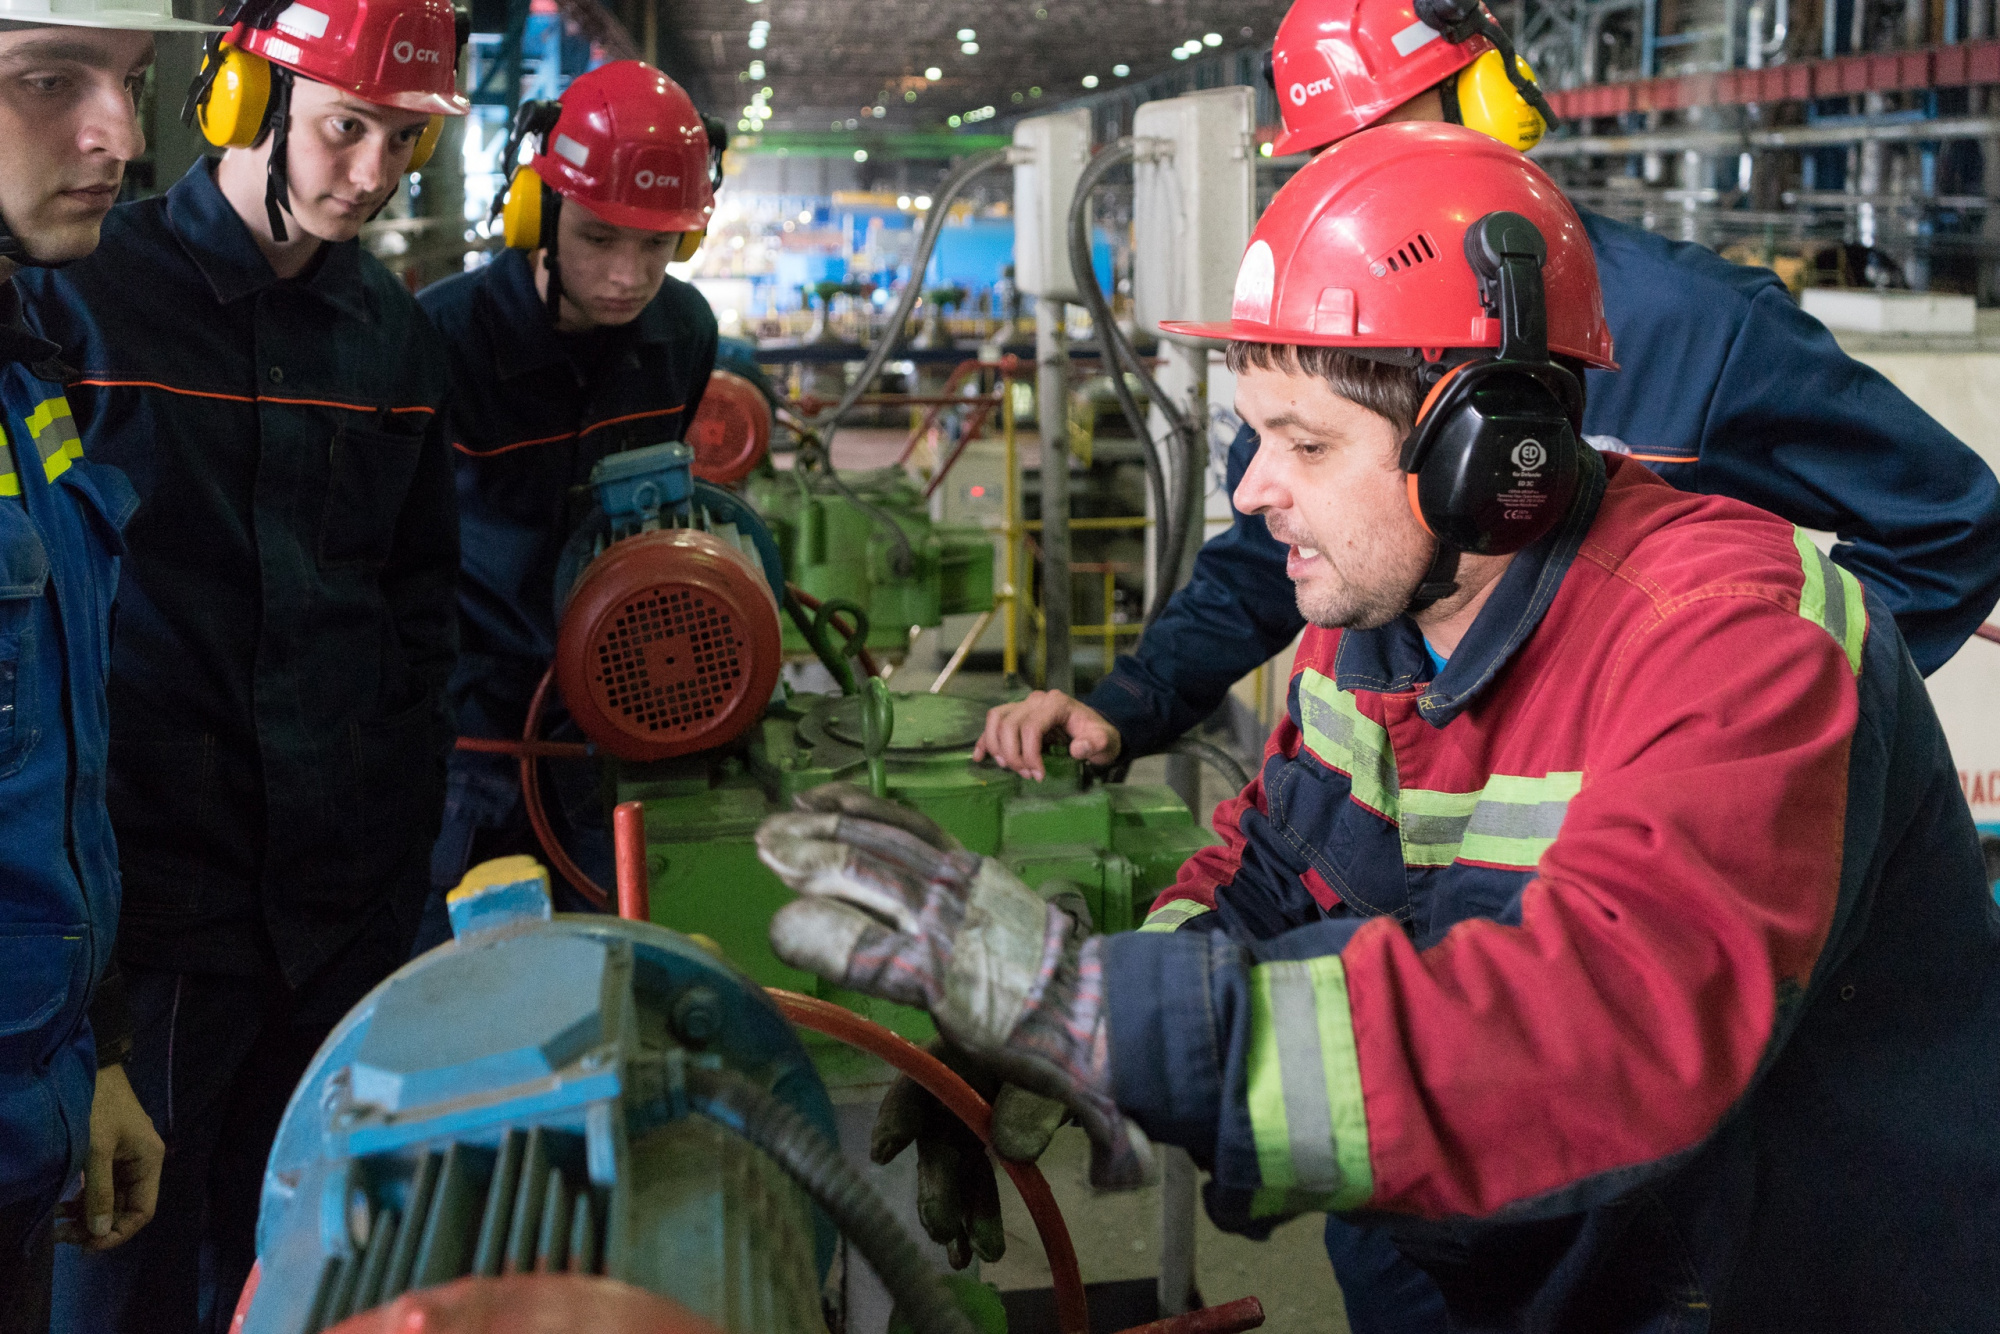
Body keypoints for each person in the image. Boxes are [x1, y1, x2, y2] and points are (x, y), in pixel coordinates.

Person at [755, 123, 2000, 1334]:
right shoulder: (1381, 614)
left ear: (1484, 453)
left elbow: (1599, 1032)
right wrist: (1058, 1027)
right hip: (1523, 1266)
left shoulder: (1733, 638)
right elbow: (1272, 875)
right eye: (1253, 435)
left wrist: (1112, 1019)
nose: (1250, 490)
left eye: (1302, 443)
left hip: (1769, 1285)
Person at [974, 0, 2000, 783]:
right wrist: (1126, 704)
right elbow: (1260, 556)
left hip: (1647, 836)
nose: (1360, 186)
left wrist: (1760, 710)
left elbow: (1944, 524)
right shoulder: (1327, 339)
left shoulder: (1696, 326)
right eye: (1331, 158)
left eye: (1382, 140)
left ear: (1489, 108)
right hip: (1428, 819)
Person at [19, 0, 466, 1326]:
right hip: (151, 927)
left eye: (403, 144)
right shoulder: (86, 301)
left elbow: (418, 607)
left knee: (307, 1272)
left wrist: (401, 856)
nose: (371, 176)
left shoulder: (396, 337)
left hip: (338, 919)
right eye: (344, 129)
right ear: (239, 103)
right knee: (118, 1286)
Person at [0, 0, 228, 1325]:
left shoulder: (30, 378)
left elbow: (53, 774)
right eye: (47, 81)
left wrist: (99, 1058)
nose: (117, 137)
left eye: (130, 84)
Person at [412, 59, 719, 945]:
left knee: (609, 971)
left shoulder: (684, 336)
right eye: (597, 238)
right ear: (537, 213)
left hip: (615, 721)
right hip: (469, 741)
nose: (627, 275)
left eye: (655, 246)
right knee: (455, 988)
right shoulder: (445, 339)